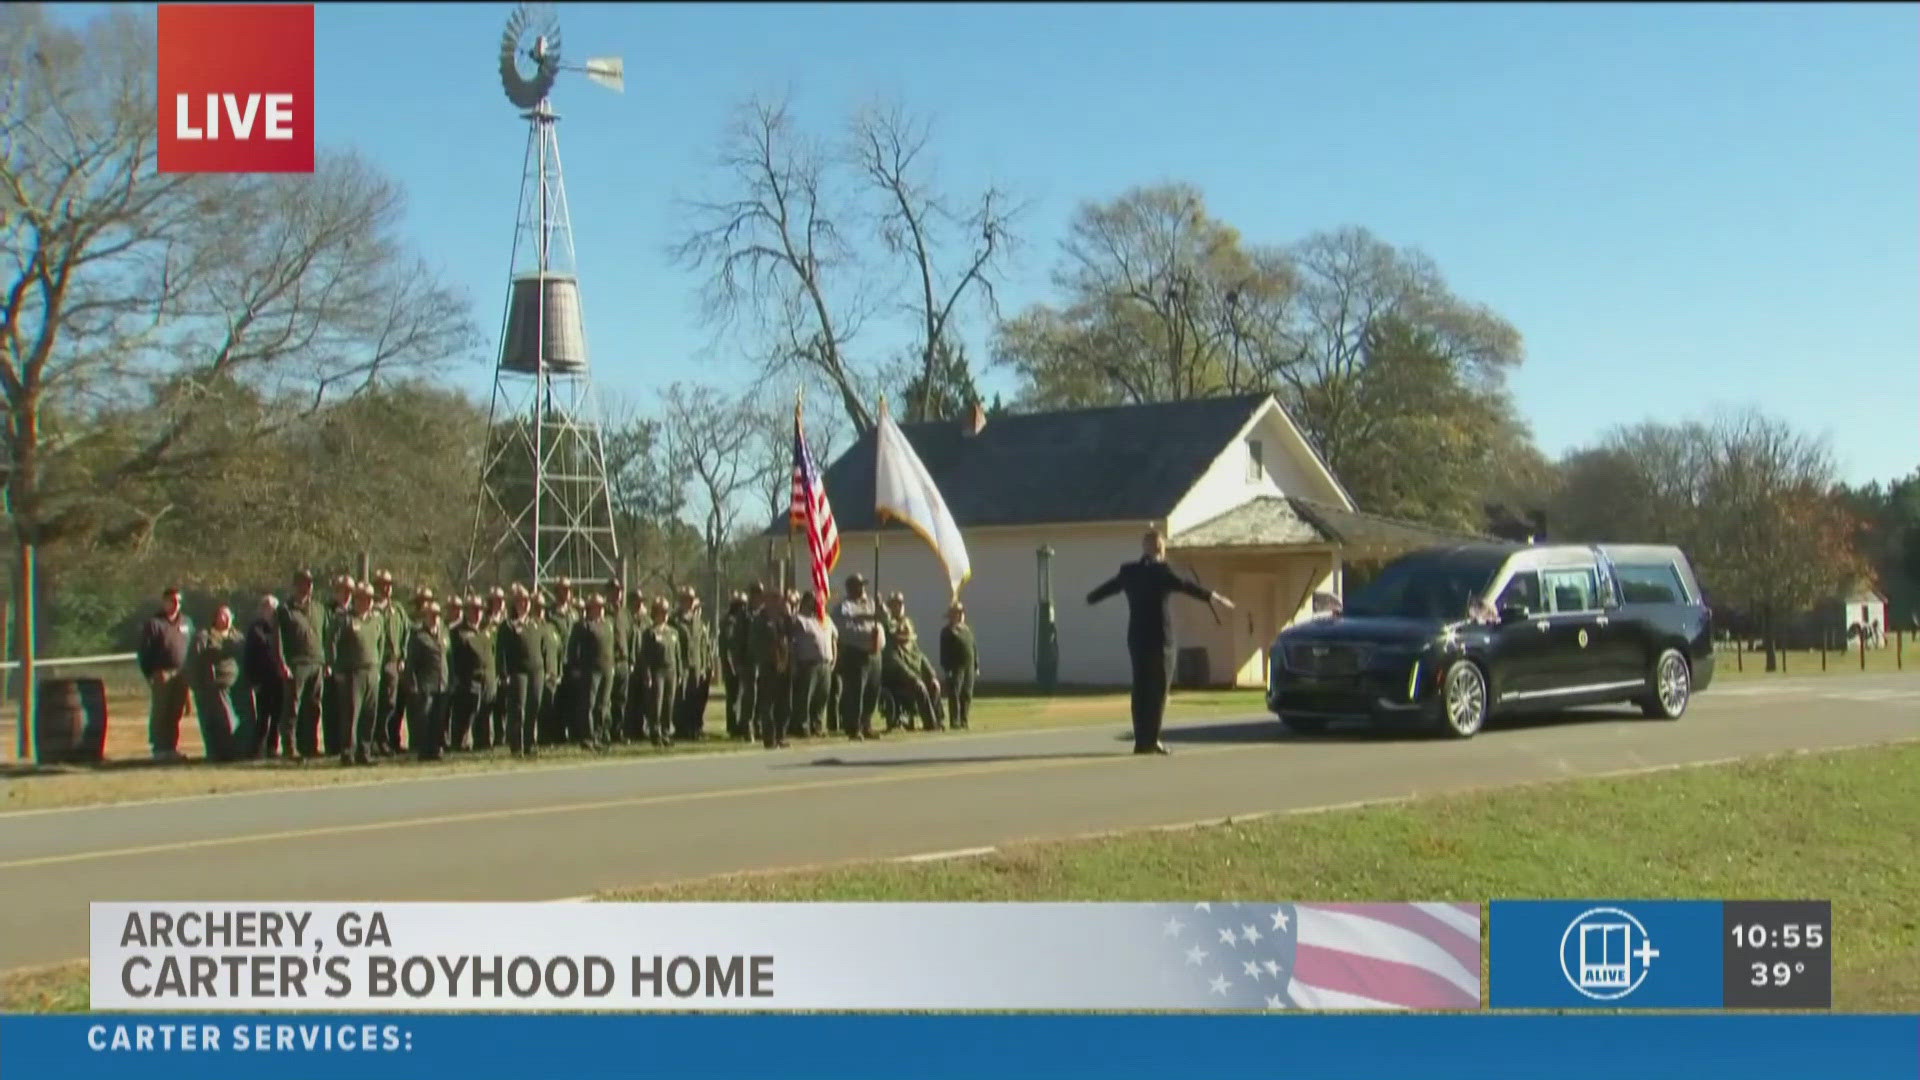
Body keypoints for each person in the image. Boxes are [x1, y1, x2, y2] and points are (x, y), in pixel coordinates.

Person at [1086, 528, 1232, 755]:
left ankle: (1141, 739)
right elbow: (1186, 586)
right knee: (1158, 690)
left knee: (1141, 688)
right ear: (1160, 549)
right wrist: (1212, 596)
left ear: (1144, 549)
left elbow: (1107, 589)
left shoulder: (1129, 572)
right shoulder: (1162, 572)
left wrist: (1091, 598)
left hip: (1136, 638)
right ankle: (1151, 740)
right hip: (1161, 640)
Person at [276, 570, 328, 761]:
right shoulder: (285, 610)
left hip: (317, 662)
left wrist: (326, 661)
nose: (308, 587)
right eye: (304, 583)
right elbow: (278, 639)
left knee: (313, 706)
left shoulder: (319, 608)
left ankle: (310, 746)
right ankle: (290, 747)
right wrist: (282, 663)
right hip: (296, 664)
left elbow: (326, 635)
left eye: (310, 583)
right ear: (296, 585)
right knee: (292, 706)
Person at [329, 582, 383, 767]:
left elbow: (380, 644)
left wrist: (378, 667)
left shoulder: (376, 619)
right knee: (351, 714)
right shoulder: (345, 619)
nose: (366, 603)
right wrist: (337, 668)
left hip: (372, 671)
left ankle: (365, 751)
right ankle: (348, 752)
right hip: (352, 672)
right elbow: (332, 642)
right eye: (362, 599)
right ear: (356, 599)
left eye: (369, 600)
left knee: (370, 714)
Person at [136, 586, 192, 762]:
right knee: (161, 712)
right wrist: (151, 674)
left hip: (181, 674)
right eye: (172, 601)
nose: (176, 605)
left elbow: (190, 648)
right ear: (165, 602)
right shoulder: (154, 623)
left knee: (175, 712)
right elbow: (144, 653)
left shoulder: (186, 623)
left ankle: (171, 748)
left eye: (179, 601)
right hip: (162, 675)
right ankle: (159, 748)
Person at [187, 604, 245, 762]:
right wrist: (196, 683)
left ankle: (233, 752)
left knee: (234, 720)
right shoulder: (204, 636)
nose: (226, 619)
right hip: (213, 686)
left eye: (228, 615)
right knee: (216, 722)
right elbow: (193, 661)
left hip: (236, 685)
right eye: (222, 615)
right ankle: (216, 753)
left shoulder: (237, 637)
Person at [831, 573, 885, 741]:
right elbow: (844, 629)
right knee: (856, 692)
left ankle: (866, 724)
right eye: (858, 585)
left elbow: (885, 619)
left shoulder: (871, 603)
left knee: (872, 689)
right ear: (850, 588)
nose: (862, 589)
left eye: (863, 585)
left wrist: (881, 606)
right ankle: (853, 727)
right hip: (856, 653)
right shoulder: (844, 606)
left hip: (875, 652)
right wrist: (865, 627)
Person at [494, 584, 544, 757]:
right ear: (515, 604)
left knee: (534, 706)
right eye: (521, 601)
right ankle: (516, 745)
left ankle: (530, 743)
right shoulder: (508, 626)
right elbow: (500, 652)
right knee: (518, 709)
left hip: (536, 672)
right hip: (518, 672)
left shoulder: (535, 624)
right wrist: (503, 673)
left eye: (527, 601)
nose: (524, 604)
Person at [880, 595, 939, 732]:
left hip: (913, 676)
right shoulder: (888, 629)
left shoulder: (908, 628)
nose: (898, 607)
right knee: (919, 686)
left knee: (934, 685)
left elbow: (920, 656)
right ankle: (930, 723)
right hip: (896, 679)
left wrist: (931, 674)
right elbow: (895, 661)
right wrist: (913, 677)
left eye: (900, 604)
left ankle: (938, 718)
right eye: (894, 605)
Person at [566, 592, 616, 750]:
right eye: (597, 607)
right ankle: (587, 736)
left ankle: (600, 735)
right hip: (590, 669)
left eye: (602, 607)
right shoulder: (582, 625)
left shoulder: (608, 624)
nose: (600, 610)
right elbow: (573, 647)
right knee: (589, 703)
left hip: (607, 668)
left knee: (604, 704)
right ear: (590, 608)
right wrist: (575, 667)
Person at [240, 595, 286, 759]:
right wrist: (252, 680)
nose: (270, 609)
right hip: (262, 679)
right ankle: (257, 749)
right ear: (262, 609)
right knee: (263, 716)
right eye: (267, 606)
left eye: (273, 606)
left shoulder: (281, 627)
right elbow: (249, 657)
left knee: (277, 715)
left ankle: (272, 748)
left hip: (279, 678)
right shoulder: (255, 629)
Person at [788, 591, 837, 738]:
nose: (819, 604)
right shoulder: (799, 620)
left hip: (825, 664)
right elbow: (792, 643)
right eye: (816, 601)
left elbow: (834, 638)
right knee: (804, 697)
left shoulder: (826, 619)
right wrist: (794, 663)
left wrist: (834, 658)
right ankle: (801, 726)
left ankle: (817, 726)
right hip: (807, 664)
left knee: (822, 697)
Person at [371, 570, 409, 757]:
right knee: (373, 703)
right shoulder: (371, 609)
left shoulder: (398, 610)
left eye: (389, 585)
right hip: (375, 663)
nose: (387, 588)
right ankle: (373, 741)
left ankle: (386, 739)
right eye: (383, 585)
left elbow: (406, 633)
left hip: (393, 663)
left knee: (390, 703)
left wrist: (403, 656)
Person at [406, 600, 450, 762]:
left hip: (442, 684)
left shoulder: (444, 634)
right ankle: (424, 751)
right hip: (426, 684)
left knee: (439, 719)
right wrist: (413, 684)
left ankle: (436, 749)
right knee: (425, 718)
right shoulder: (418, 636)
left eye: (437, 615)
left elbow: (447, 657)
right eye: (431, 615)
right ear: (425, 616)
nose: (435, 618)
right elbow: (411, 663)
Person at [448, 596, 492, 752]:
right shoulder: (457, 632)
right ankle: (458, 746)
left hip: (485, 682)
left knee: (483, 717)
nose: (477, 613)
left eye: (480, 610)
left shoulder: (486, 631)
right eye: (474, 610)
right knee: (463, 719)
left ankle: (482, 745)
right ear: (466, 611)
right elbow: (454, 658)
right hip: (466, 682)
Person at [637, 596, 681, 748]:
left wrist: (679, 672)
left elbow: (678, 654)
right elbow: (645, 656)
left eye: (666, 612)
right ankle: (655, 732)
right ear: (655, 613)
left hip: (671, 671)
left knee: (669, 703)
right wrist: (647, 674)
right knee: (657, 704)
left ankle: (666, 732)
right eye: (661, 612)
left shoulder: (673, 632)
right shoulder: (650, 633)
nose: (665, 615)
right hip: (657, 672)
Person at [749, 587, 791, 748]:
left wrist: (788, 615)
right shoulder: (760, 619)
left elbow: (790, 636)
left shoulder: (783, 618)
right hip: (768, 666)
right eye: (774, 598)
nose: (778, 601)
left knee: (784, 703)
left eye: (779, 598)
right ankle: (769, 738)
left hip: (784, 665)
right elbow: (755, 644)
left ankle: (781, 735)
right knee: (768, 705)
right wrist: (768, 659)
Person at [321, 575, 356, 756]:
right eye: (344, 591)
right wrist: (328, 662)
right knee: (331, 706)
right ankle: (331, 746)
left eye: (350, 591)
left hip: (350, 666)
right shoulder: (327, 611)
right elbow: (325, 638)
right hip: (331, 666)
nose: (347, 595)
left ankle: (346, 745)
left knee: (348, 709)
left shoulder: (355, 611)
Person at [673, 587, 714, 741]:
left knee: (696, 698)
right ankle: (681, 729)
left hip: (697, 665)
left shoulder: (698, 622)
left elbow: (703, 645)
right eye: (685, 600)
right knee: (681, 699)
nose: (688, 603)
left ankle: (696, 727)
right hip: (683, 665)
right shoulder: (674, 621)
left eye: (690, 600)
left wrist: (705, 665)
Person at [726, 585, 761, 741]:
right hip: (749, 661)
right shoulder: (744, 616)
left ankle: (759, 725)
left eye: (759, 594)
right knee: (750, 697)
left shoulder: (763, 613)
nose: (757, 597)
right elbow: (737, 641)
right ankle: (747, 727)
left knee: (762, 696)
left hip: (763, 661)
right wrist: (737, 662)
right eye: (755, 594)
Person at [939, 602, 978, 730]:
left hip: (969, 666)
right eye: (957, 613)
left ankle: (964, 720)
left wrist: (976, 665)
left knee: (967, 693)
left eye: (961, 613)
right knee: (954, 693)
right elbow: (944, 651)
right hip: (955, 667)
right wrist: (946, 668)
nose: (960, 615)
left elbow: (973, 648)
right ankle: (954, 721)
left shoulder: (967, 630)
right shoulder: (947, 631)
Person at [605, 578, 632, 745]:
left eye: (620, 591)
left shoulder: (625, 613)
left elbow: (630, 636)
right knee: (606, 699)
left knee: (621, 700)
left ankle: (618, 730)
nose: (618, 594)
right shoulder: (604, 612)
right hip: (609, 661)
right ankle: (605, 732)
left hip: (623, 662)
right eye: (614, 591)